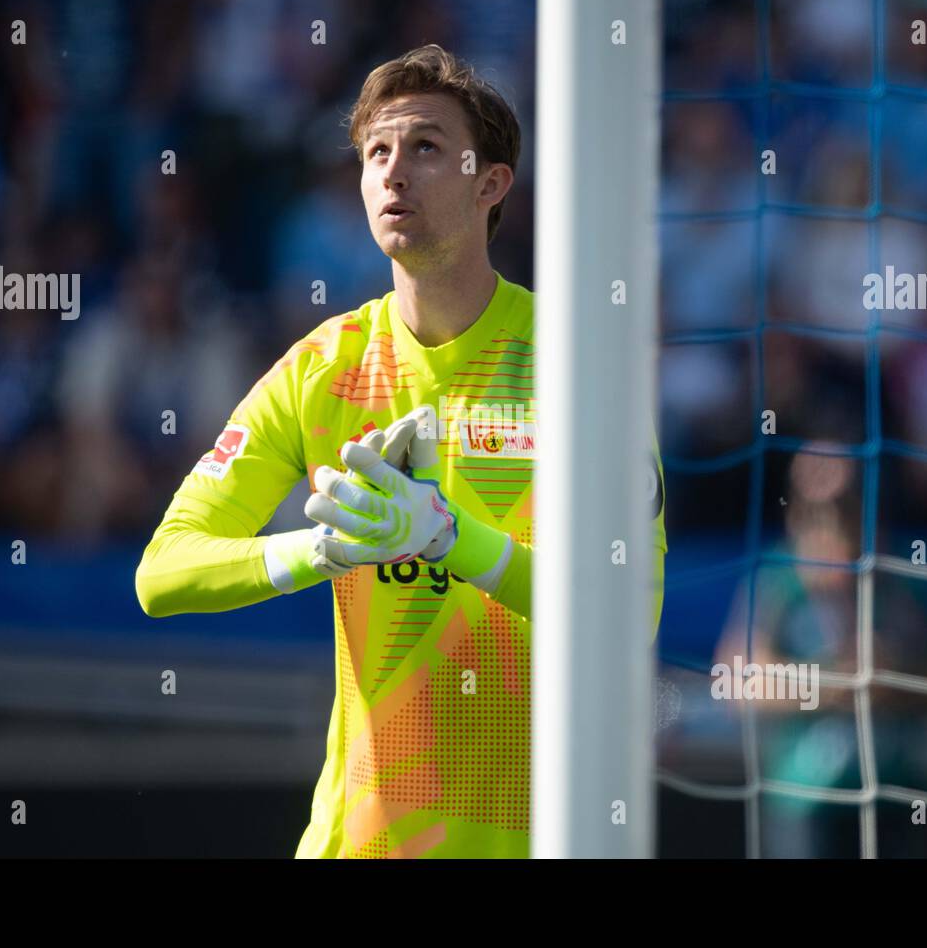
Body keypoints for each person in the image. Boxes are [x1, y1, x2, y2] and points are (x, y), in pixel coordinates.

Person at [135, 44, 667, 858]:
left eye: (424, 147)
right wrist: (322, 549)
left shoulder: (580, 361)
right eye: (376, 153)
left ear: (490, 183)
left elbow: (631, 612)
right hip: (365, 843)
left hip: (541, 838)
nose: (393, 173)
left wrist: (455, 542)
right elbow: (162, 574)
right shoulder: (320, 367)